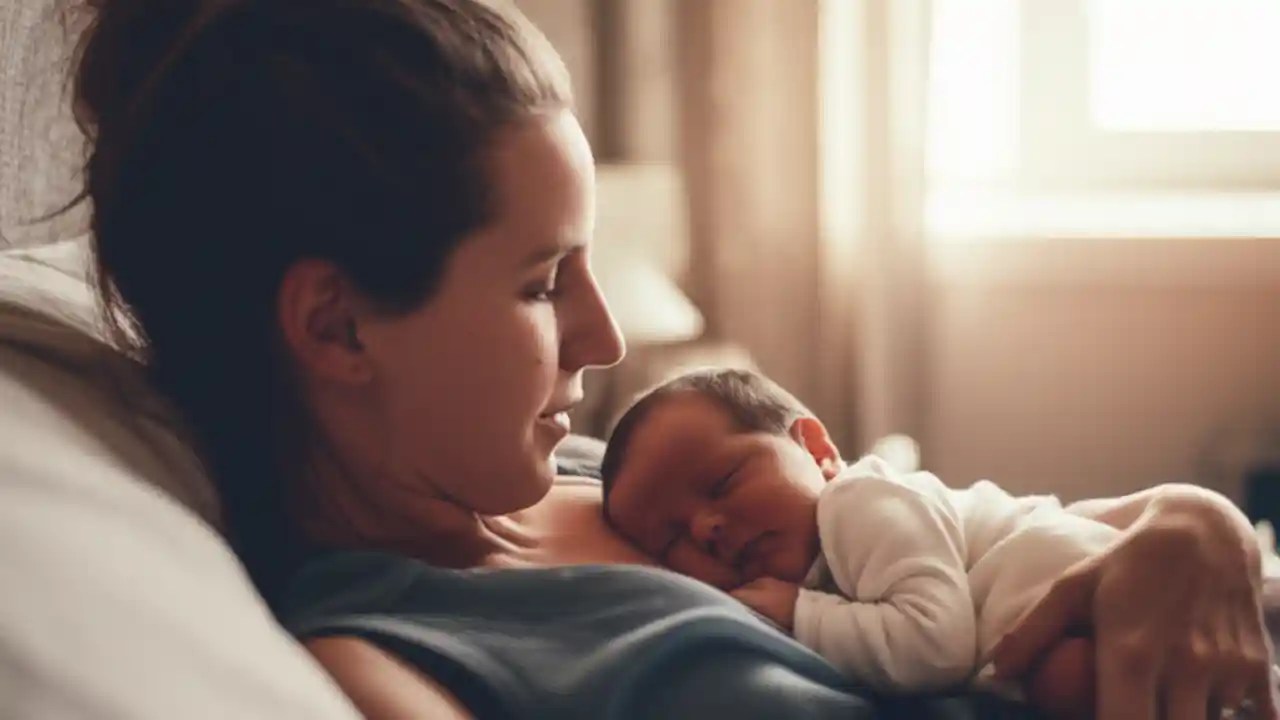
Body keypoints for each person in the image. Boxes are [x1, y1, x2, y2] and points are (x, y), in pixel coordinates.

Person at [69, 0, 1276, 717]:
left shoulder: (604, 475)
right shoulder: (383, 660)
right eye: (539, 283)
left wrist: (1190, 525)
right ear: (337, 328)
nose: (602, 338)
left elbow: (978, 542)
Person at [599, 368, 1120, 709]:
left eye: (723, 482)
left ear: (817, 449)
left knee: (1072, 677)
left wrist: (802, 614)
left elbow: (936, 645)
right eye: (671, 540)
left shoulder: (857, 502)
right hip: (1056, 635)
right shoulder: (823, 559)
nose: (705, 529)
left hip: (1085, 591)